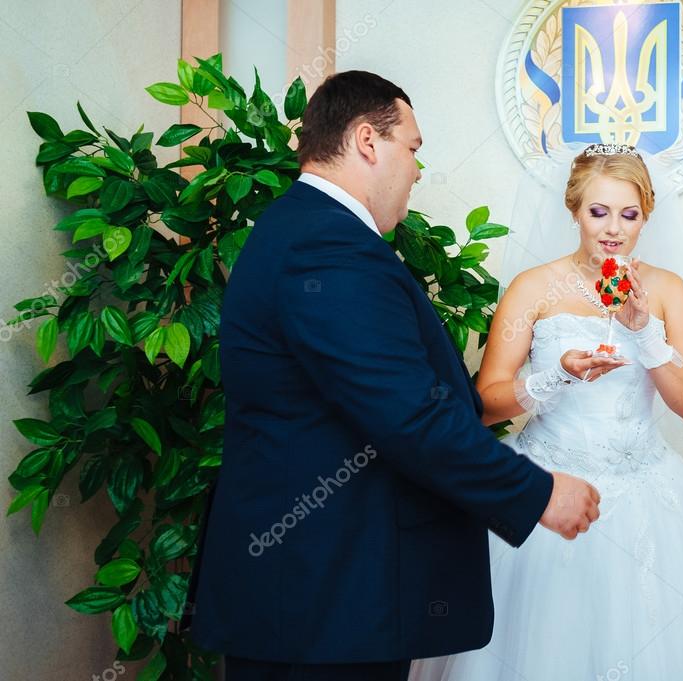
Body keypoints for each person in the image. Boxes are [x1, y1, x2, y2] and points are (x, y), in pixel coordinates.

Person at [185, 71, 610, 681]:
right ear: (366, 140)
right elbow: (408, 414)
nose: (417, 168)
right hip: (320, 601)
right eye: (412, 147)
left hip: (323, 598)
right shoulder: (324, 248)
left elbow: (409, 400)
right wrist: (537, 492)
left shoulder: (304, 230)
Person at [409, 144, 683, 680]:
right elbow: (483, 406)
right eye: (598, 212)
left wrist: (645, 333)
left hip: (647, 498)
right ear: (574, 210)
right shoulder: (533, 287)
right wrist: (557, 377)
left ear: (647, 215)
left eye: (629, 214)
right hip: (547, 492)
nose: (613, 229)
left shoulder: (666, 290)